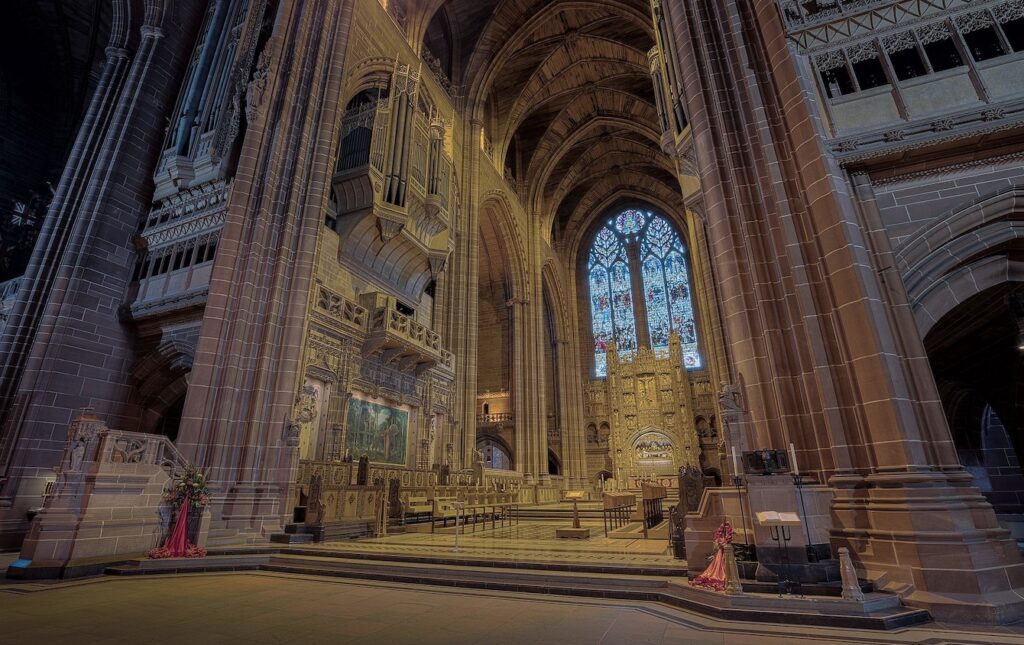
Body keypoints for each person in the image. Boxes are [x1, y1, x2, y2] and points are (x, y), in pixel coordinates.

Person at [689, 519, 734, 591]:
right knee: (717, 564)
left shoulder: (726, 532)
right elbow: (718, 539)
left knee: (719, 563)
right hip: (722, 551)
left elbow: (725, 538)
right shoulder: (720, 534)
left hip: (725, 550)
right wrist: (721, 543)